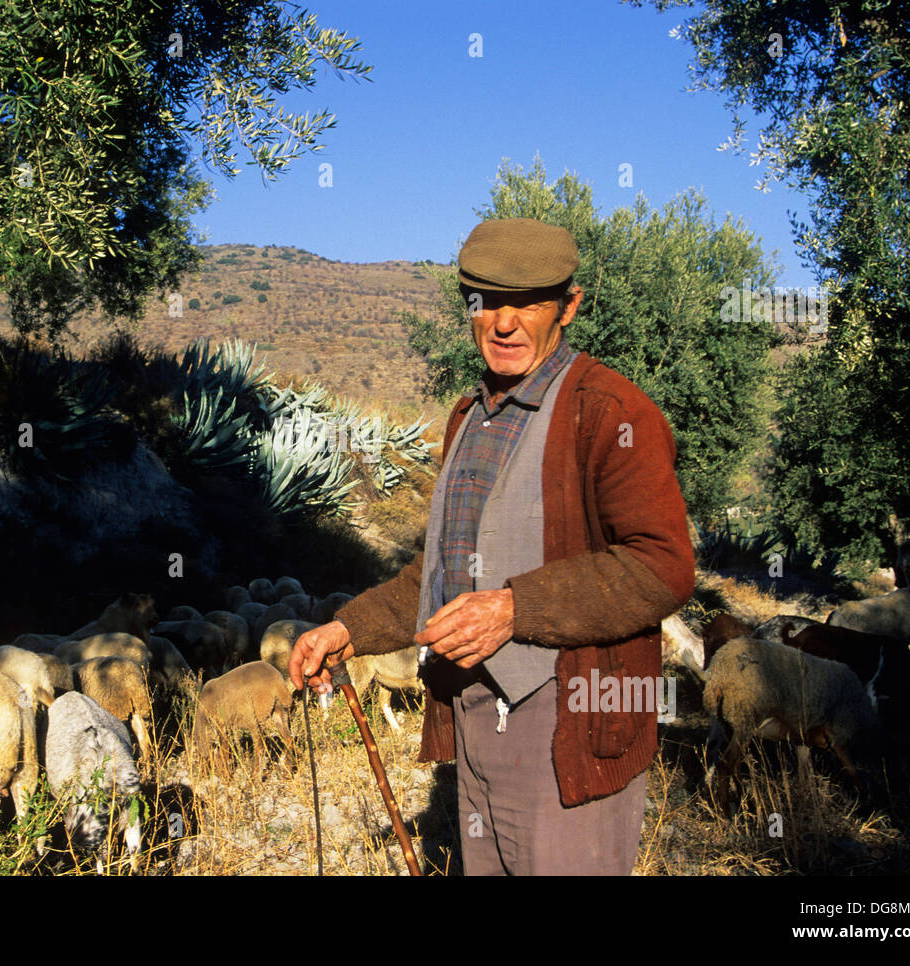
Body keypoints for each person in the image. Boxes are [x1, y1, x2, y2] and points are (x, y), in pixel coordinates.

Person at [289, 218, 696, 875]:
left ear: (569, 306)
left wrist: (512, 610)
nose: (505, 322)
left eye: (529, 302)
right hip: (476, 719)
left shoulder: (611, 412)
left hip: (571, 728)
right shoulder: (467, 418)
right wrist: (348, 630)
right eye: (487, 302)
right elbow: (441, 572)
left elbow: (663, 567)